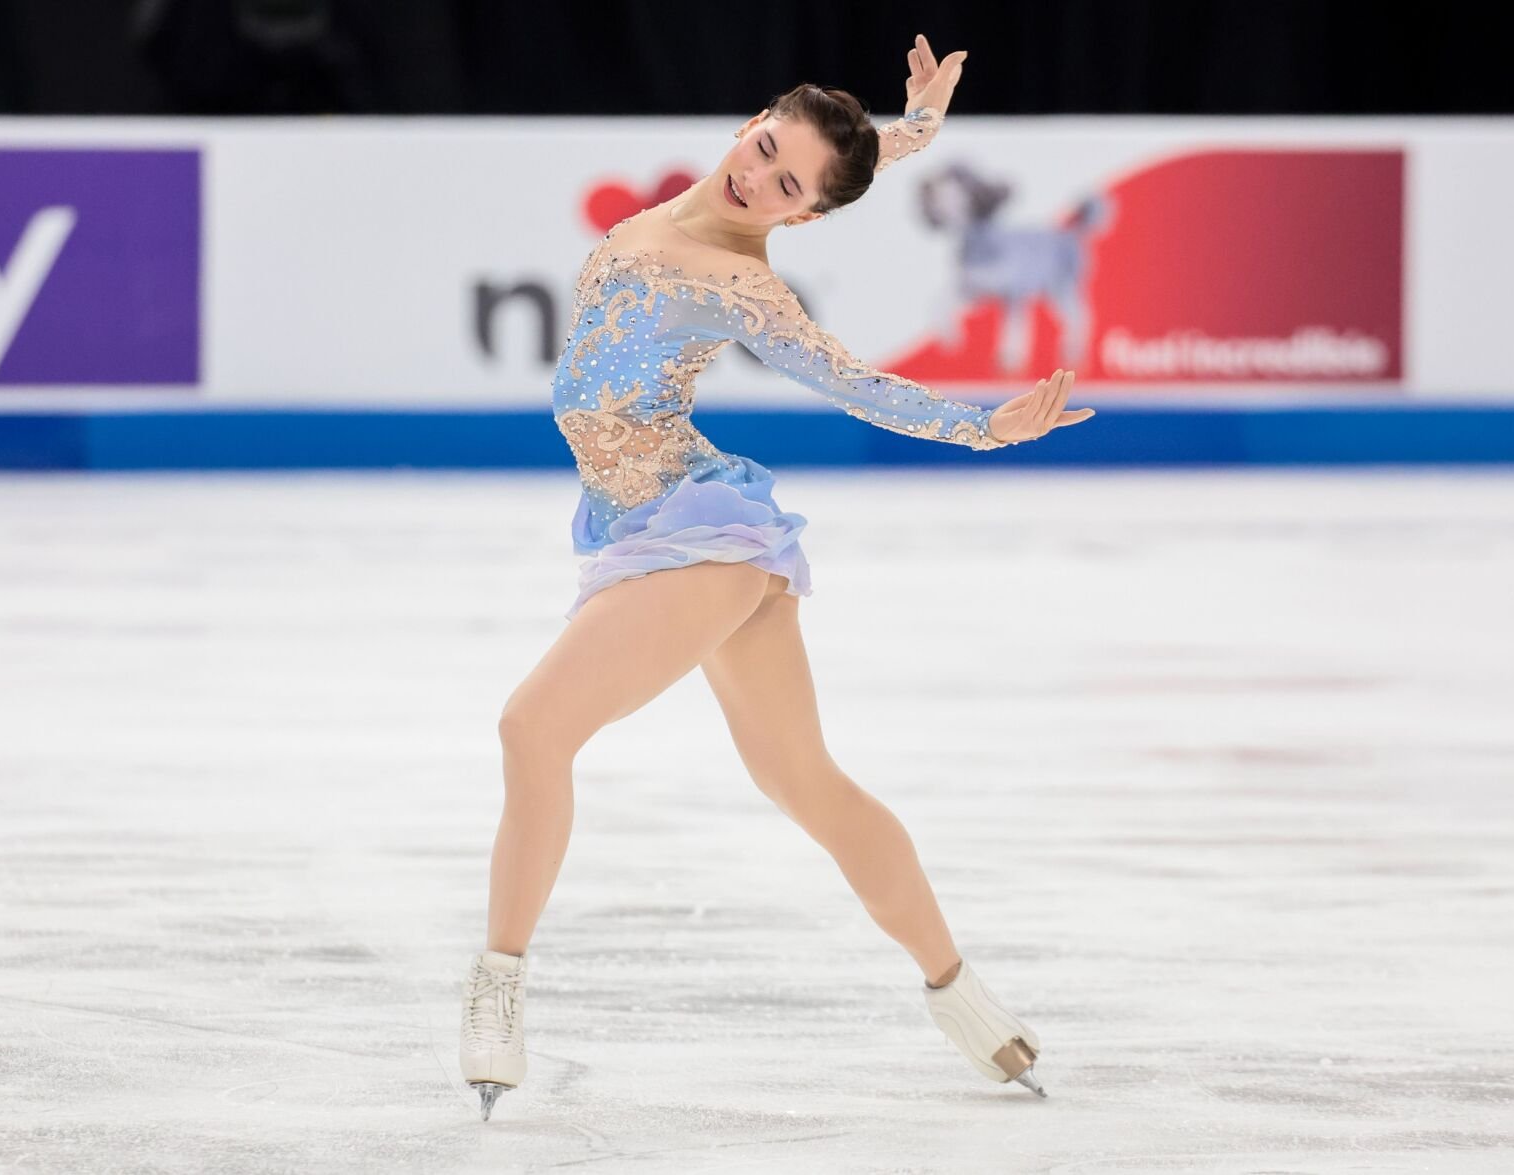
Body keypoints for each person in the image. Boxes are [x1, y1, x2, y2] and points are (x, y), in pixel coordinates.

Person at [460, 35, 1092, 1120]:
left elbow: (855, 383)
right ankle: (961, 994)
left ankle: (495, 989)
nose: (756, 180)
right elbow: (853, 156)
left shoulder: (745, 288)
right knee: (806, 782)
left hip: (696, 538)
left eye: (787, 187)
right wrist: (914, 128)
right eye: (762, 149)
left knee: (532, 727)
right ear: (752, 121)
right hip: (642, 521)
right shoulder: (709, 200)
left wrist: (980, 428)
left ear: (802, 218)